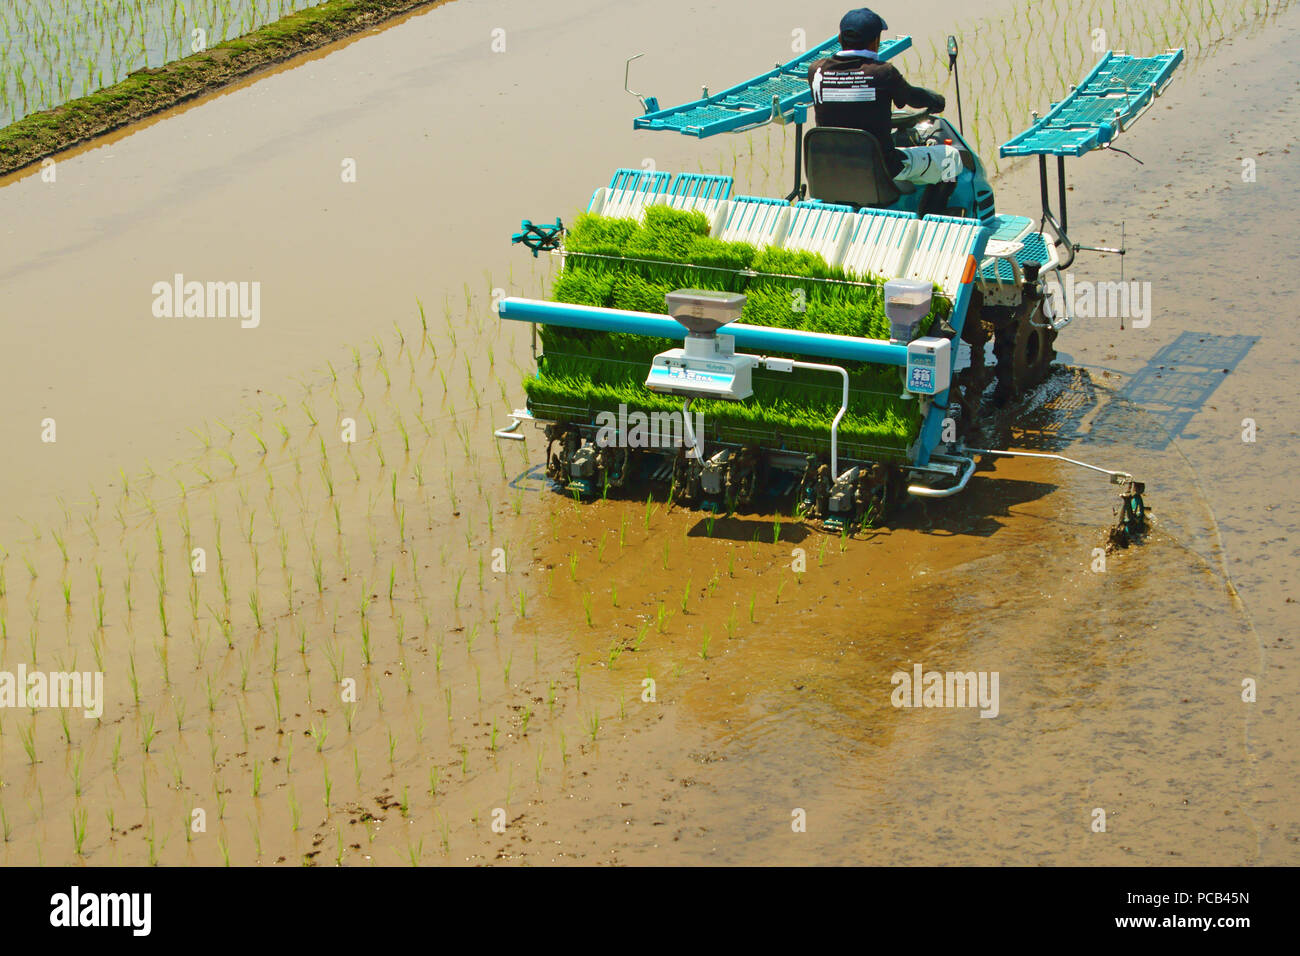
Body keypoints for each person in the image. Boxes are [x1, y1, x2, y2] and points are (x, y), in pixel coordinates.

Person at [807, 8, 958, 186]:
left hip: (830, 167)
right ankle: (928, 212)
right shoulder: (883, 73)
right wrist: (935, 100)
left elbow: (847, 107)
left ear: (840, 39)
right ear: (876, 42)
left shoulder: (816, 70)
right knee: (951, 157)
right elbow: (912, 98)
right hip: (880, 167)